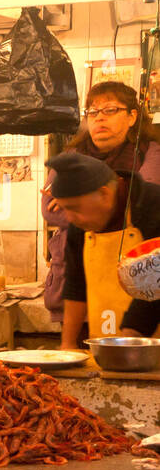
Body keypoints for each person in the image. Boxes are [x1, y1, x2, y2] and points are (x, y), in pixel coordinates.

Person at [42, 81, 160, 322]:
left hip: (136, 290)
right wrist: (98, 202)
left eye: (110, 110)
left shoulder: (152, 152)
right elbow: (49, 211)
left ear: (132, 116)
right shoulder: (70, 157)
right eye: (93, 112)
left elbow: (143, 200)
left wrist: (75, 201)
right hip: (74, 284)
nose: (99, 119)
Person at [50, 150, 160, 346]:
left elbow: (156, 285)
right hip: (107, 343)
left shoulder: (154, 205)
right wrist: (67, 346)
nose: (69, 217)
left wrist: (126, 346)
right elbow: (76, 285)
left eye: (73, 208)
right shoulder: (81, 223)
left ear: (104, 193)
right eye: (64, 208)